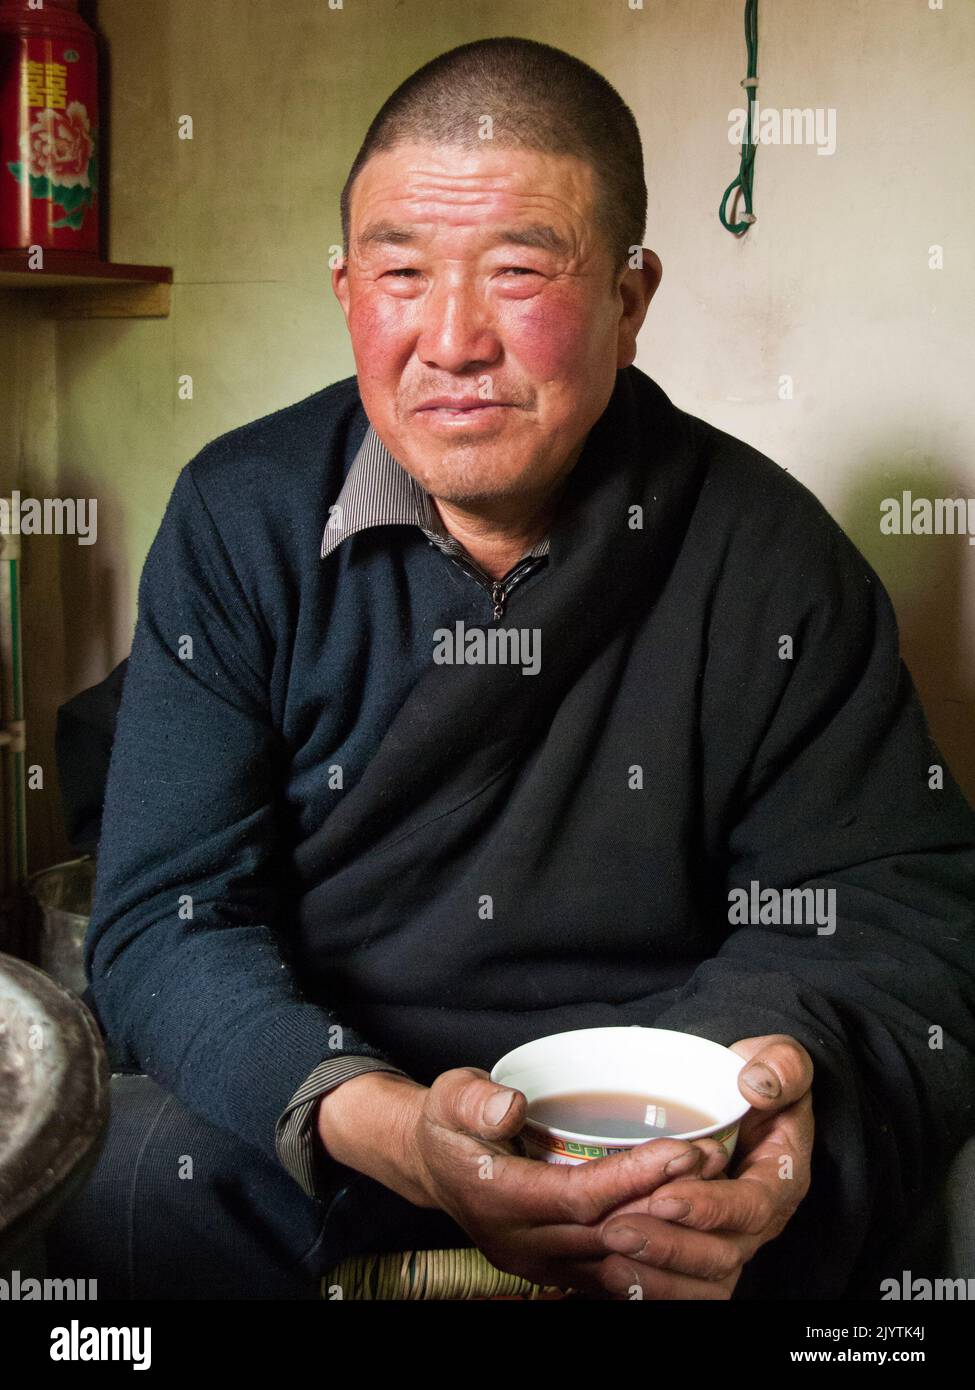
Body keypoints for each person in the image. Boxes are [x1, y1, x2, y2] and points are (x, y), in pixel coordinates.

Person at [45, 37, 975, 1301]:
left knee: (895, 1205)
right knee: (109, 1197)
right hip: (337, 1102)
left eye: (522, 270)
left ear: (632, 299)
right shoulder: (240, 516)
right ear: (344, 287)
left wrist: (725, 1114)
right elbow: (166, 919)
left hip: (663, 1102)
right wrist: (387, 1125)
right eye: (401, 272)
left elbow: (888, 907)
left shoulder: (769, 554)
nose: (451, 339)